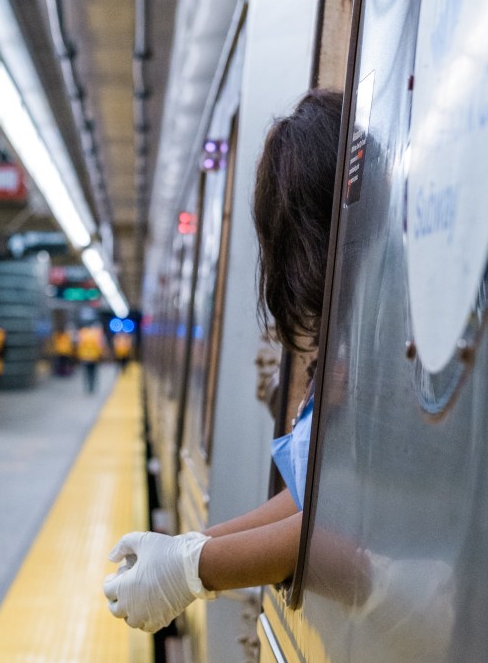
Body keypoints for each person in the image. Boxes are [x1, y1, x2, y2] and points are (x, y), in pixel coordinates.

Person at [104, 89, 353, 631]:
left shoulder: (371, 349)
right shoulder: (348, 336)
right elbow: (308, 497)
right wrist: (189, 548)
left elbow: (343, 526)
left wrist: (195, 569)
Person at [76, 323, 105, 394]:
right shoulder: (97, 333)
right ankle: (92, 387)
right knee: (93, 373)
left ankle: (87, 387)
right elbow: (100, 345)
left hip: (85, 357)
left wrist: (79, 355)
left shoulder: (82, 333)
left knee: (86, 373)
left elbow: (79, 345)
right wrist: (100, 354)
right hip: (94, 357)